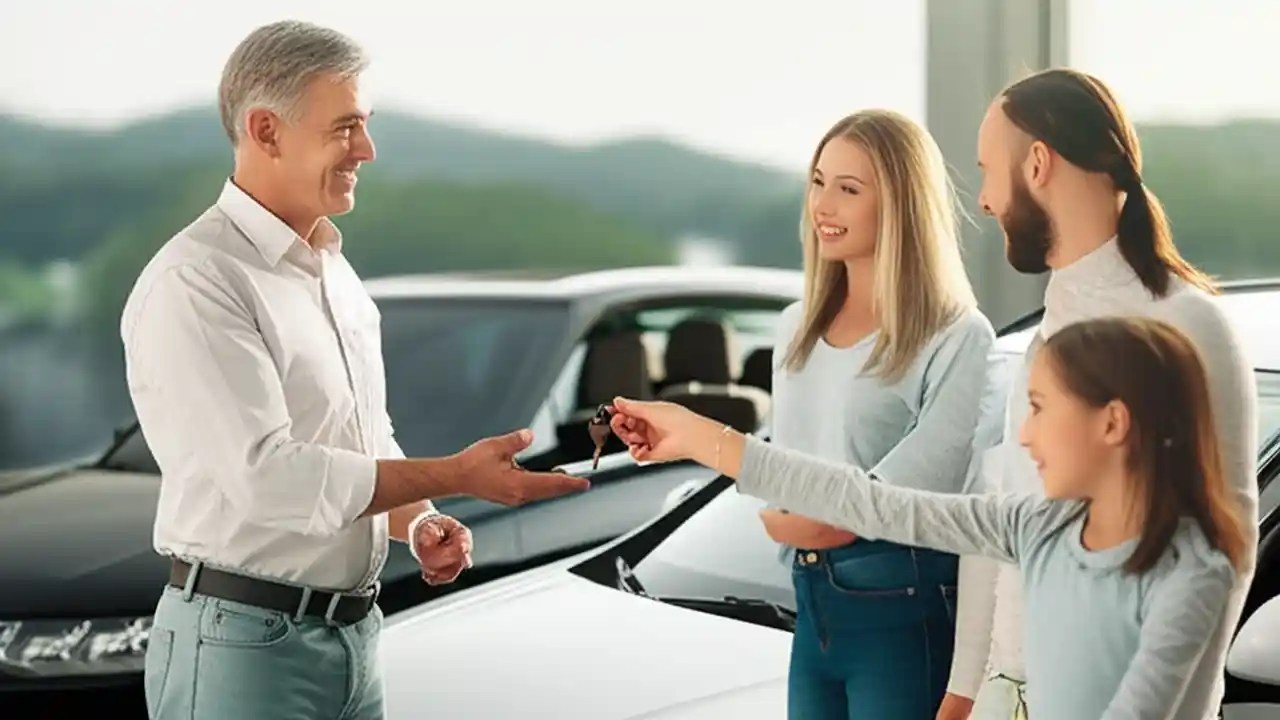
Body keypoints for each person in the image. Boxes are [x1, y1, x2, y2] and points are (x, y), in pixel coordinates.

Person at [120, 20, 588, 720]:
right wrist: (456, 475)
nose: (366, 150)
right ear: (266, 130)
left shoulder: (333, 271)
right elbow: (267, 478)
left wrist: (418, 518)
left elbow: (360, 437)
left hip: (353, 642)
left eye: (364, 126)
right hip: (243, 652)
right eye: (345, 129)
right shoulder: (197, 282)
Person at [605, 314, 1249, 719]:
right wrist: (701, 438)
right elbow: (875, 503)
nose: (1023, 437)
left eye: (1041, 408)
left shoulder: (1195, 571)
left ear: (1112, 421)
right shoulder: (1035, 527)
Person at [938, 67, 1259, 719]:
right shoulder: (1042, 340)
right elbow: (1002, 519)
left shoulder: (1188, 325)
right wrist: (966, 693)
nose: (984, 201)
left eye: (987, 172)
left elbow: (1228, 553)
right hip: (1010, 697)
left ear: (1036, 164)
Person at [760, 108, 1004, 720]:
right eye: (818, 182)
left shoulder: (956, 336)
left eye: (848, 189)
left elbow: (924, 489)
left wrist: (813, 517)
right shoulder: (795, 329)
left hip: (901, 604)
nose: (824, 205)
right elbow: (779, 475)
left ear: (899, 203)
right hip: (809, 602)